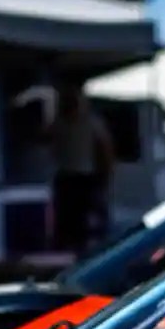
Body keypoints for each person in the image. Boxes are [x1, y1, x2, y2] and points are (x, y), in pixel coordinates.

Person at [47, 84, 115, 255]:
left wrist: (104, 178)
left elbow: (105, 152)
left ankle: (92, 251)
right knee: (66, 223)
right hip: (66, 177)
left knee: (87, 222)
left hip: (86, 178)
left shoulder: (92, 124)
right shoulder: (60, 123)